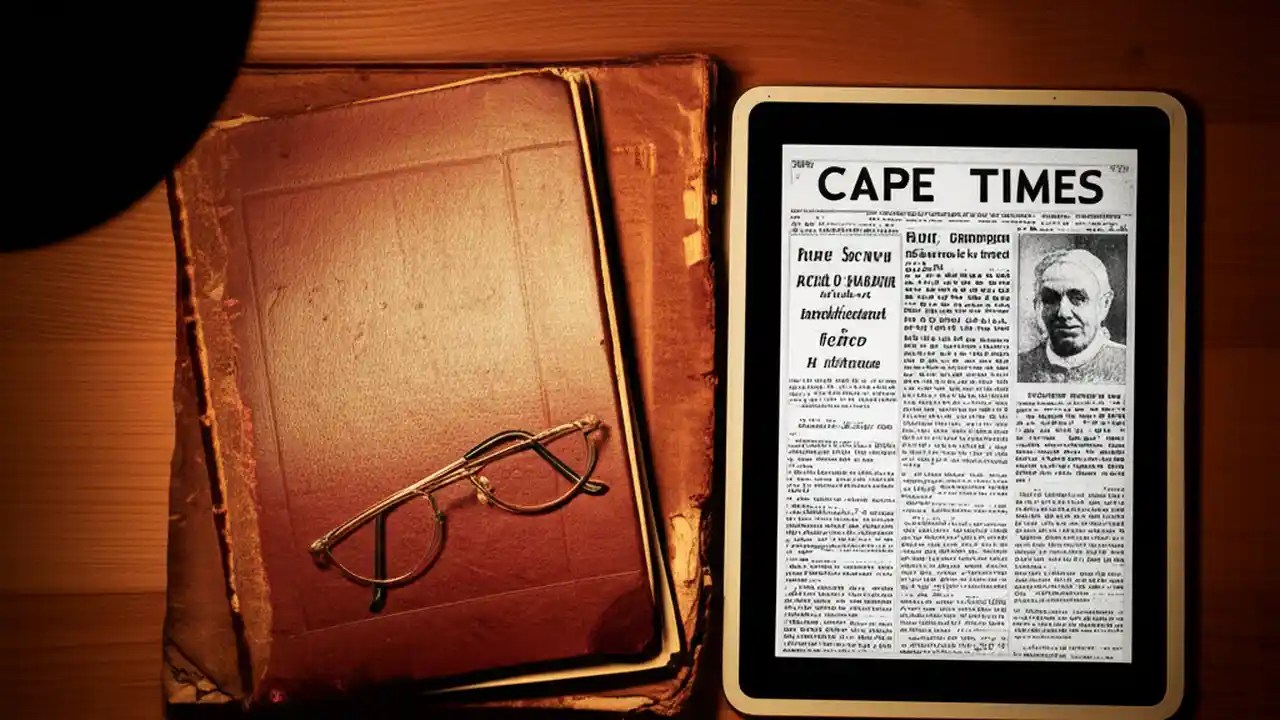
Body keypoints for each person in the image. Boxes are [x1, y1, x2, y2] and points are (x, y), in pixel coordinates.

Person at [1017, 248, 1126, 384]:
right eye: (1050, 299)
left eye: (1078, 298)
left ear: (1104, 304)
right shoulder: (1018, 366)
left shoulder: (1127, 363)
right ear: (1038, 306)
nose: (1063, 313)